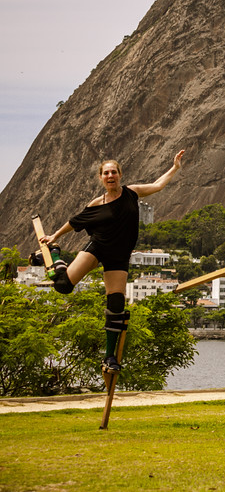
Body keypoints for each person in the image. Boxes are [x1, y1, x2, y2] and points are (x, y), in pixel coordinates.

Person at [41, 152, 185, 371]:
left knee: (116, 304)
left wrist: (174, 167)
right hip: (98, 248)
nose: (110, 176)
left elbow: (157, 185)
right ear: (101, 178)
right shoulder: (96, 204)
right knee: (62, 286)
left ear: (120, 175)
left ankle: (109, 358)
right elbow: (74, 222)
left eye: (114, 172)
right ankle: (55, 254)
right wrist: (54, 237)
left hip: (119, 256)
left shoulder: (131, 192)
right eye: (106, 173)